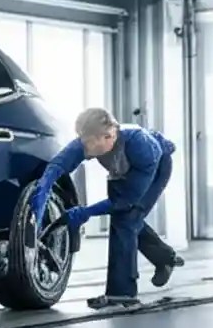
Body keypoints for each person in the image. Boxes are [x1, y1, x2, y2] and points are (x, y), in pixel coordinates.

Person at [29, 107, 184, 309]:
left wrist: (86, 212)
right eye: (83, 142)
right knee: (127, 220)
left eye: (90, 144)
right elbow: (56, 166)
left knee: (126, 219)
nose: (85, 149)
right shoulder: (90, 140)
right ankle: (164, 258)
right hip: (122, 169)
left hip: (156, 167)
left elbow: (125, 201)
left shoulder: (142, 147)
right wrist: (42, 194)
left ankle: (123, 294)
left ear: (109, 136)